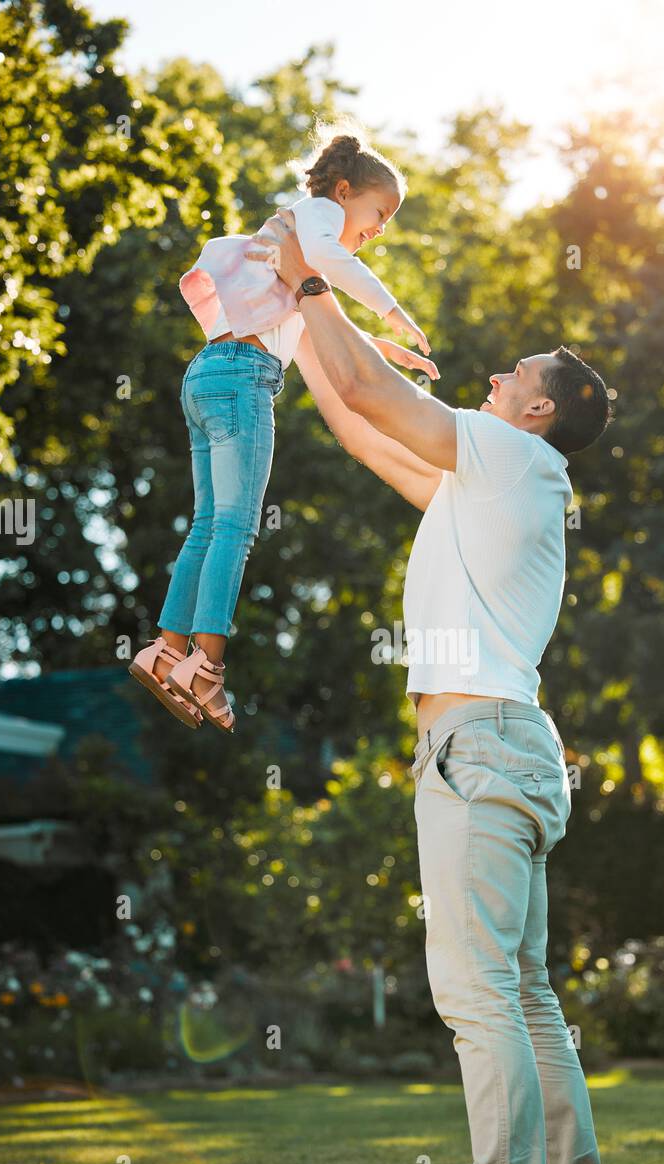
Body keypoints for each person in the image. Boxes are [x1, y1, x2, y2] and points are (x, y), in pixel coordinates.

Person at [248, 210, 611, 1164]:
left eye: (516, 370)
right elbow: (363, 425)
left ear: (536, 406)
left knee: (479, 994)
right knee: (526, 992)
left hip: (479, 745)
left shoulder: (508, 455)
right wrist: (293, 320)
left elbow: (375, 396)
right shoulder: (486, 479)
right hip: (510, 746)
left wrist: (309, 279)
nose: (496, 372)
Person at [128, 123, 431, 733]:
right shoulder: (316, 216)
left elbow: (307, 316)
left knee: (211, 524)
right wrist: (395, 313)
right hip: (243, 378)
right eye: (379, 212)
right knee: (235, 529)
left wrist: (382, 349)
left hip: (208, 374)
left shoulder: (293, 235)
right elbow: (330, 265)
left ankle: (165, 649)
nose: (380, 229)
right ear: (344, 191)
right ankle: (205, 667)